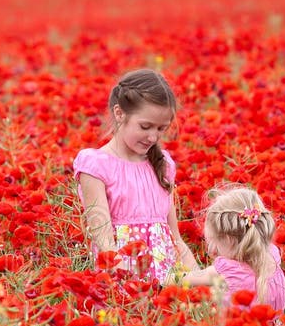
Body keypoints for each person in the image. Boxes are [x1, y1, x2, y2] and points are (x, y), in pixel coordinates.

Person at [72, 68, 197, 284]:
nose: (153, 137)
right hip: (122, 281)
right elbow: (104, 241)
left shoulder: (163, 165)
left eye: (161, 129)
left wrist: (200, 279)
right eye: (145, 126)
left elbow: (176, 239)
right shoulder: (96, 165)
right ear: (119, 113)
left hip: (168, 284)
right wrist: (131, 287)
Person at [180, 185, 285, 313]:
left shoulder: (228, 270)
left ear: (228, 239)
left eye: (214, 242)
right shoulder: (273, 255)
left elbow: (181, 279)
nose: (212, 250)